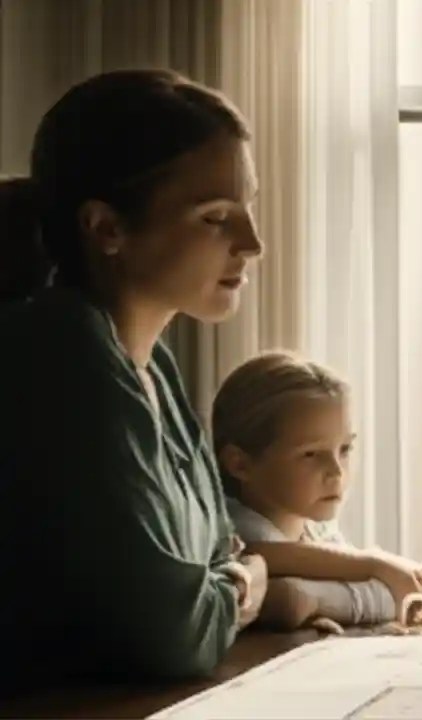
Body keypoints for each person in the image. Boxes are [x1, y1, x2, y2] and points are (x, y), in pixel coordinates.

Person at [0, 69, 267, 691]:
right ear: (106, 229)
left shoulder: (152, 362)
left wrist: (228, 578)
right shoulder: (63, 351)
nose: (251, 243)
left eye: (247, 209)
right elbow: (177, 635)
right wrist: (250, 582)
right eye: (215, 217)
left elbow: (216, 554)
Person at [213, 351, 422, 634]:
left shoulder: (318, 533)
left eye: (345, 450)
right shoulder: (234, 532)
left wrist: (324, 600)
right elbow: (278, 581)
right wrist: (373, 566)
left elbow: (398, 593)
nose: (336, 471)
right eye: (311, 454)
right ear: (240, 464)